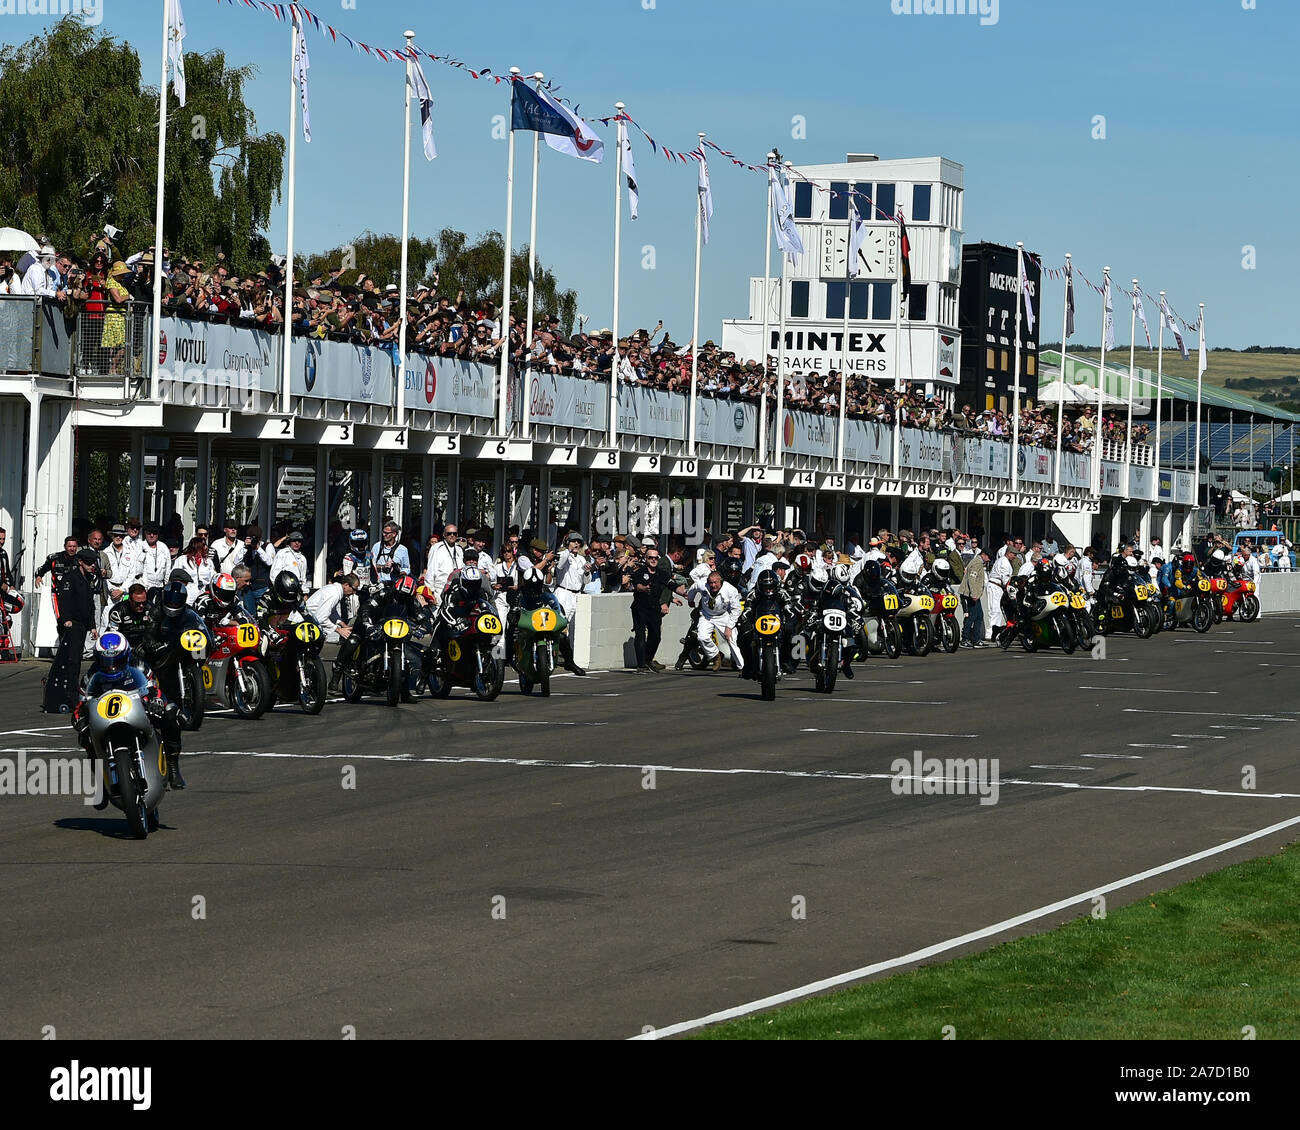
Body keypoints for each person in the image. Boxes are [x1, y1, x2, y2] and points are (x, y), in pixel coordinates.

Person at [71, 631, 185, 793]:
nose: (111, 665)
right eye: (105, 660)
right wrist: (78, 719)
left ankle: (173, 766)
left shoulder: (139, 665)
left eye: (115, 659)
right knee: (85, 735)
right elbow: (81, 702)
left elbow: (154, 688)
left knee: (169, 712)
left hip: (137, 708)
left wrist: (156, 701)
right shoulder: (91, 674)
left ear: (125, 655)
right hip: (105, 715)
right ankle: (99, 781)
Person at [43, 548, 99, 712]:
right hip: (72, 623)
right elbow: (63, 601)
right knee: (71, 661)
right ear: (80, 562)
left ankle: (73, 694)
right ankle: (70, 696)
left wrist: (93, 626)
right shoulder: (70, 578)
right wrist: (65, 619)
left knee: (77, 661)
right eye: (88, 563)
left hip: (82, 624)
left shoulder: (89, 579)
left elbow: (90, 606)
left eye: (93, 563)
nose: (91, 566)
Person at [687, 569, 744, 672]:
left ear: (720, 581)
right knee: (701, 637)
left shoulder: (730, 590)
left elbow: (736, 610)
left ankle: (742, 667)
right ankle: (715, 655)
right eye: (710, 583)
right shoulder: (702, 584)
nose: (713, 585)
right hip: (707, 615)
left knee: (731, 639)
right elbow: (693, 588)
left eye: (715, 583)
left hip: (723, 615)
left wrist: (729, 627)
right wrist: (690, 600)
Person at [628, 544, 673, 673]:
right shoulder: (640, 572)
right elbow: (638, 586)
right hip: (640, 607)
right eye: (650, 558)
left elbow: (671, 585)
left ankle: (648, 659)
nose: (653, 560)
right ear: (646, 559)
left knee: (656, 636)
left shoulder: (661, 573)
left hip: (654, 608)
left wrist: (684, 594)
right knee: (640, 636)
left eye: (655, 558)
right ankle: (641, 665)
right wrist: (644, 588)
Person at [551, 533, 589, 646]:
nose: (576, 544)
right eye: (573, 541)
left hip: (577, 594)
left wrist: (587, 572)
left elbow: (586, 581)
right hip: (564, 592)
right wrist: (568, 549)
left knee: (576, 627)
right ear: (568, 543)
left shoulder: (582, 559)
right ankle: (554, 654)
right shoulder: (563, 554)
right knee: (560, 625)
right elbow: (560, 565)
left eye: (578, 542)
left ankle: (571, 656)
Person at [306, 573, 361, 644]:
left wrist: (343, 625)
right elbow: (321, 618)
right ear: (346, 585)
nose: (354, 592)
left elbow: (332, 612)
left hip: (310, 622)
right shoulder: (334, 594)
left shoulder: (335, 589)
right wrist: (338, 630)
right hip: (303, 623)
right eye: (354, 589)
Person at [423, 522, 463, 605]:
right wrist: (430, 592)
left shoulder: (459, 549)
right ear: (444, 535)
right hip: (440, 589)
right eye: (449, 533)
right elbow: (431, 570)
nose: (452, 535)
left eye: (454, 534)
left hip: (457, 589)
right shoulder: (437, 548)